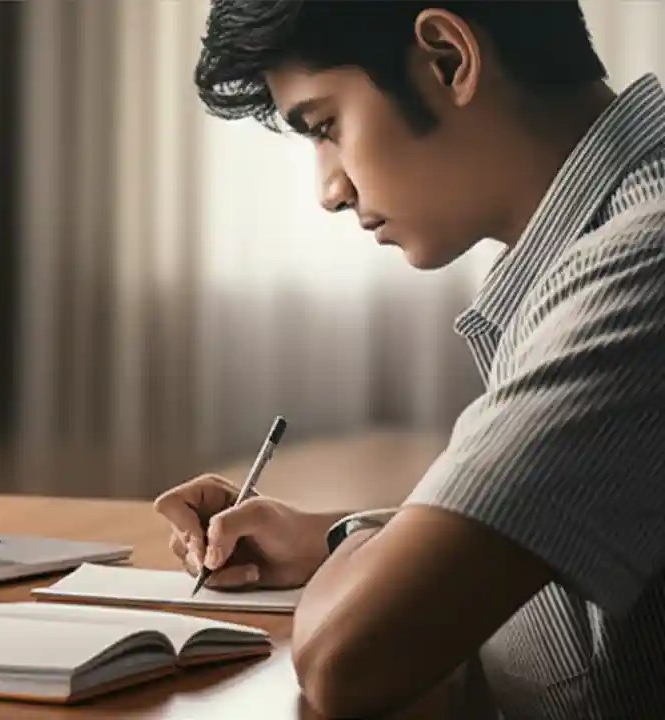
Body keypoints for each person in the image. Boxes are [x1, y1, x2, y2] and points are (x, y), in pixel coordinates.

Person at [153, 2, 665, 718]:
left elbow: (347, 659)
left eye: (326, 126)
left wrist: (373, 557)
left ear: (448, 59)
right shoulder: (601, 238)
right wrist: (352, 538)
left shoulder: (643, 261)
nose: (329, 190)